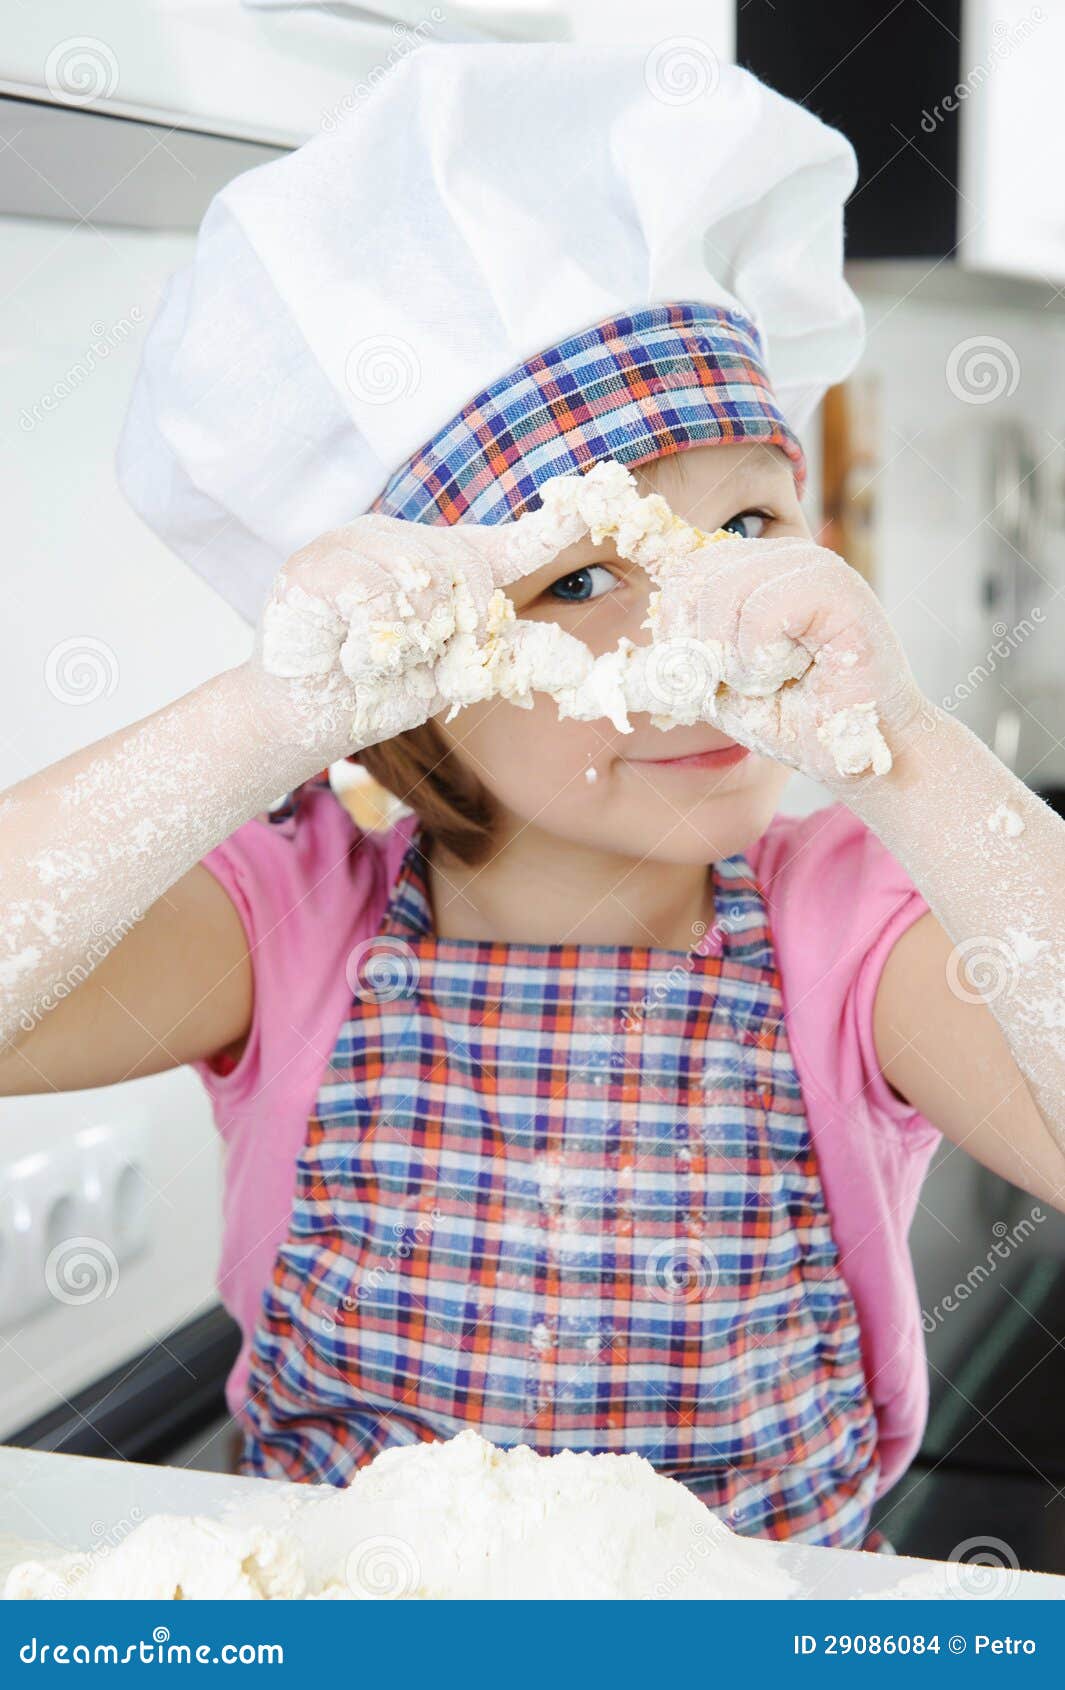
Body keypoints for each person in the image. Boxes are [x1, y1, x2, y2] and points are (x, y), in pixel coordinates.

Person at [3, 46, 1063, 1556]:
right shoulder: (291, 926)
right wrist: (276, 706)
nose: (705, 642)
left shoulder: (851, 927)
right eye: (576, 578)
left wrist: (908, 743)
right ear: (415, 662)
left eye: (748, 523)